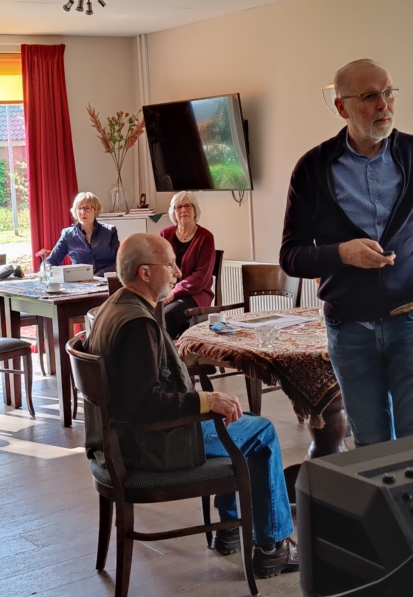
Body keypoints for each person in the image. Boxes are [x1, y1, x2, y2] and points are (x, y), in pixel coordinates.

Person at [85, 233, 297, 576]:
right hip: (150, 445)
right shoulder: (139, 324)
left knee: (242, 422)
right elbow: (147, 404)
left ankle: (231, 528)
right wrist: (206, 399)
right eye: (169, 264)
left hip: (118, 440)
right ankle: (272, 547)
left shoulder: (113, 308)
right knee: (262, 431)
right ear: (144, 273)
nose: (176, 270)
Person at [280, 58, 413, 445]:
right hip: (350, 330)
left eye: (389, 93)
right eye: (369, 96)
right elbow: (291, 256)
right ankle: (382, 508)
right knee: (371, 442)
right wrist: (341, 253)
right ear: (342, 107)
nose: (384, 105)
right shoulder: (312, 168)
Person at [159, 191, 217, 338]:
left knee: (167, 315)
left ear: (195, 210)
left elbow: (201, 277)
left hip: (196, 294)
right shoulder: (164, 235)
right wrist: (164, 291)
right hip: (166, 292)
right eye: (178, 207)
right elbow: (157, 267)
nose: (183, 210)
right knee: (142, 313)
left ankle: (168, 357)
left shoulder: (206, 237)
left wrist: (174, 292)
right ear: (173, 212)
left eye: (188, 206)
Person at [41, 193, 119, 274]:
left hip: (106, 279)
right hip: (80, 282)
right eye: (79, 208)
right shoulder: (68, 234)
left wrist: (98, 276)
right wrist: (45, 269)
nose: (83, 212)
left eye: (87, 208)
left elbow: (119, 261)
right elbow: (52, 260)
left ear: (95, 209)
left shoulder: (110, 231)